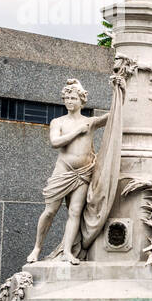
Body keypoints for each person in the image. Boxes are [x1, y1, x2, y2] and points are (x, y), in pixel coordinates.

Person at [27, 80, 108, 265]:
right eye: (67, 97)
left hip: (83, 172)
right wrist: (77, 132)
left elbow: (111, 117)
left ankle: (67, 252)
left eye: (74, 98)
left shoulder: (90, 122)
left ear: (82, 101)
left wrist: (123, 94)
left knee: (75, 212)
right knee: (50, 211)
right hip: (64, 170)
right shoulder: (59, 122)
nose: (70, 101)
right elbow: (55, 142)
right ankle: (37, 248)